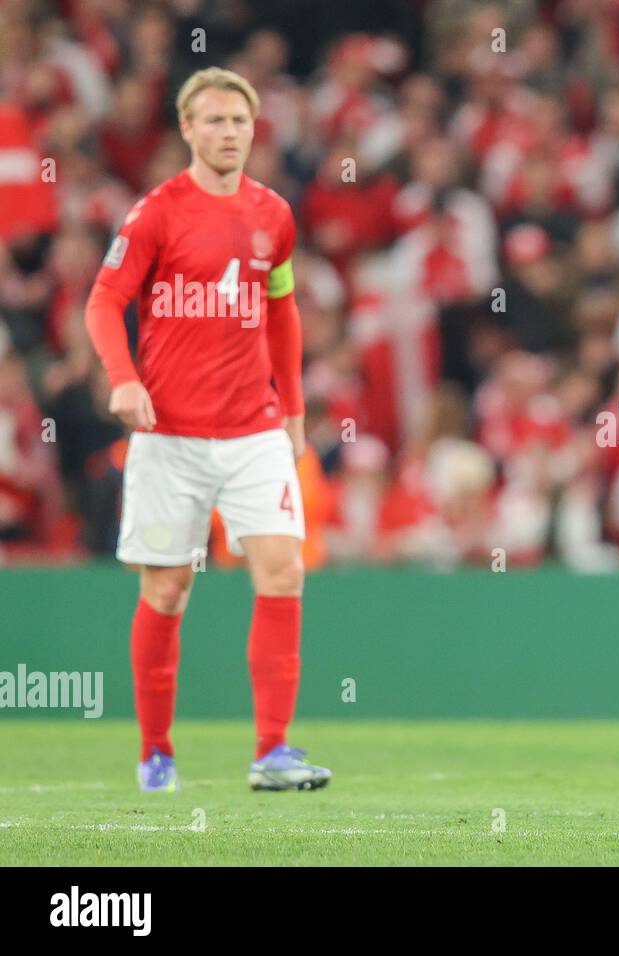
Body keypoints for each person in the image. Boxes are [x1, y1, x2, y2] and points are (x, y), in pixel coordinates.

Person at [85, 67, 330, 793]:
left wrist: (293, 408)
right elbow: (104, 303)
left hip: (254, 426)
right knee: (165, 589)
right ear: (187, 129)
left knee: (284, 568)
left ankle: (273, 752)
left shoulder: (274, 217)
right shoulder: (156, 213)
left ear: (255, 130)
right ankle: (155, 750)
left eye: (240, 121)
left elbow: (281, 312)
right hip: (170, 432)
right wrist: (123, 378)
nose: (229, 133)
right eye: (214, 120)